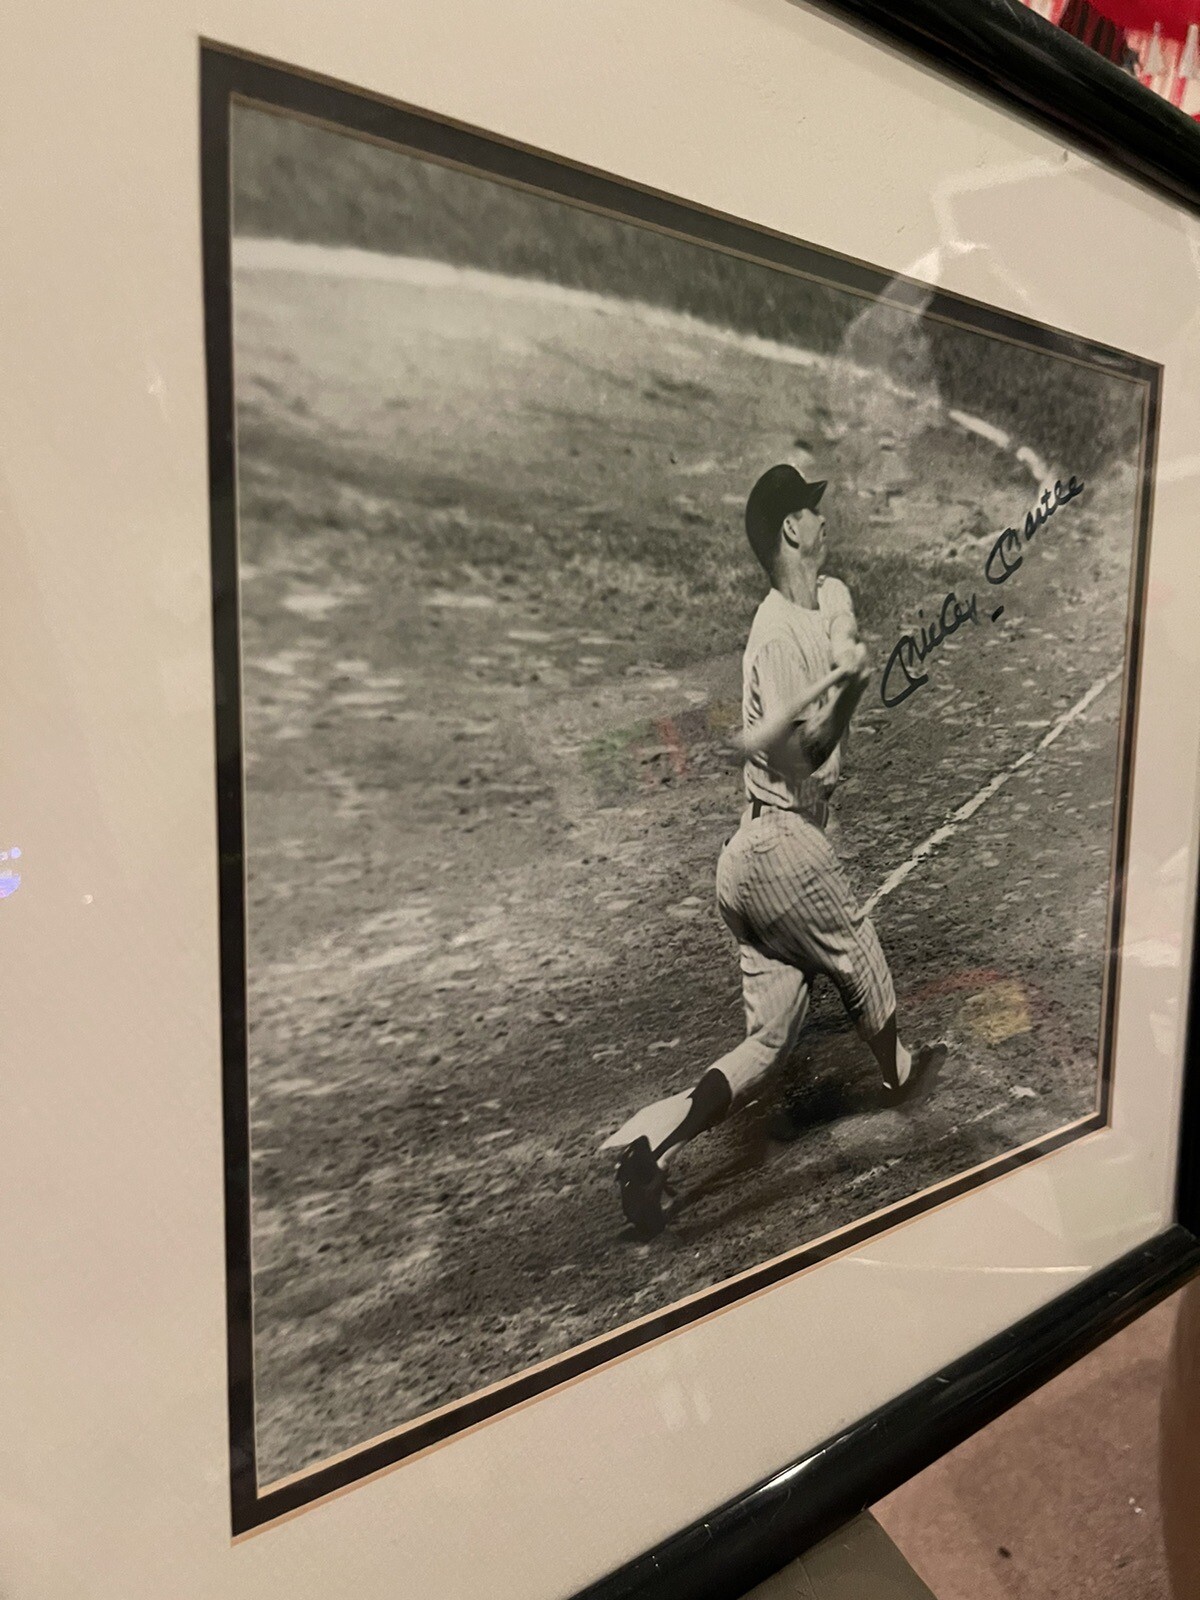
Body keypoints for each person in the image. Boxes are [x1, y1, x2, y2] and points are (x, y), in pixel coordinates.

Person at [603, 463, 945, 1237]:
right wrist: (851, 689)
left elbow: (839, 609)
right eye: (813, 512)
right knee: (858, 949)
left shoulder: (814, 603)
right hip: (784, 843)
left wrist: (849, 644)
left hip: (748, 861)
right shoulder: (775, 642)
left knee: (769, 1040)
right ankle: (901, 1078)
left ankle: (653, 1143)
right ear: (792, 529)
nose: (825, 520)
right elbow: (807, 755)